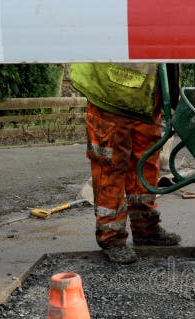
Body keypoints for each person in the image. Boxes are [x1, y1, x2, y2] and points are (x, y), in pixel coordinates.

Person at [70, 63, 182, 264]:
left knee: (145, 163)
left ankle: (146, 229)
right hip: (111, 93)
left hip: (146, 95)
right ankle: (111, 237)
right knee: (110, 166)